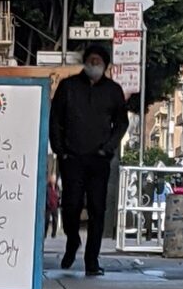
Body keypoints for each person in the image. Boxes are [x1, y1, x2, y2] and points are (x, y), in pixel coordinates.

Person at [48, 43, 129, 276]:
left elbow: (121, 123)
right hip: (72, 157)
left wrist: (108, 148)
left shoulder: (113, 91)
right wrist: (60, 149)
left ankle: (92, 259)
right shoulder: (68, 87)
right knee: (71, 206)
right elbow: (56, 120)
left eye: (98, 62)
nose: (94, 65)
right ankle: (72, 240)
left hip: (99, 159)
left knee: (97, 209)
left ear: (105, 65)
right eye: (91, 61)